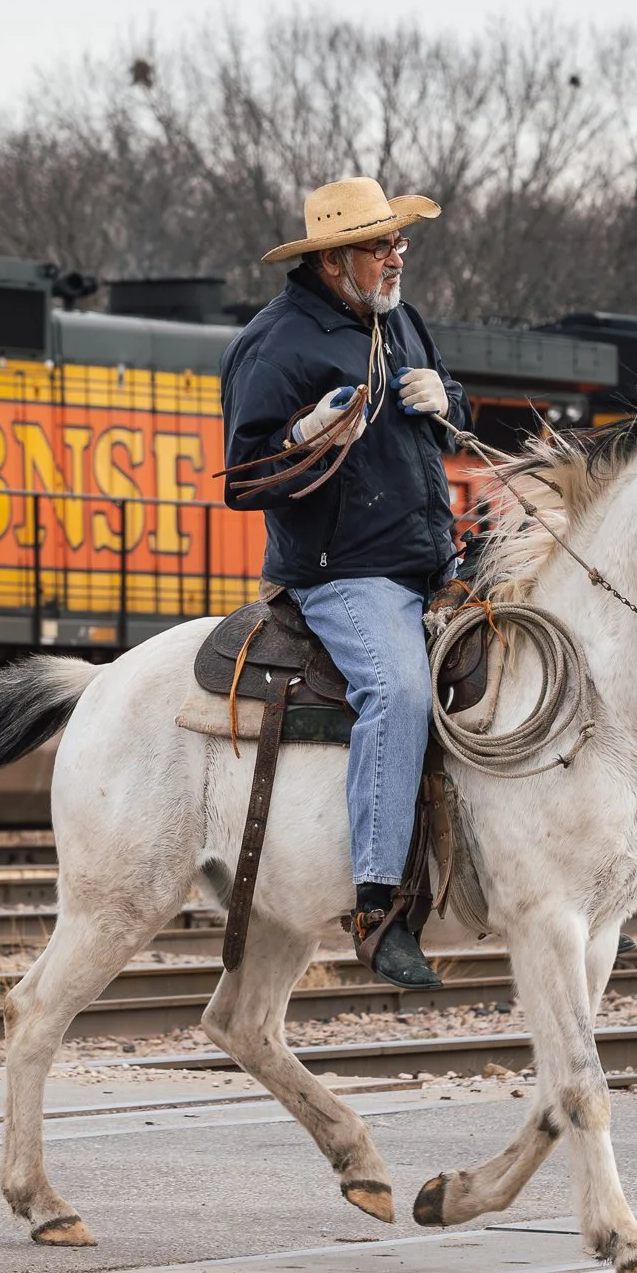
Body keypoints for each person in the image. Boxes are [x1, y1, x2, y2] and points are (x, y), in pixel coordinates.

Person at [220, 176, 467, 990]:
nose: (396, 257)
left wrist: (450, 398)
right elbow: (245, 475)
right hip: (343, 577)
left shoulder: (400, 319)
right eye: (380, 245)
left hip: (433, 560)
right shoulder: (275, 344)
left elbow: (438, 419)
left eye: (399, 241)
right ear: (333, 260)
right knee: (398, 689)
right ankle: (379, 907)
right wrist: (301, 433)